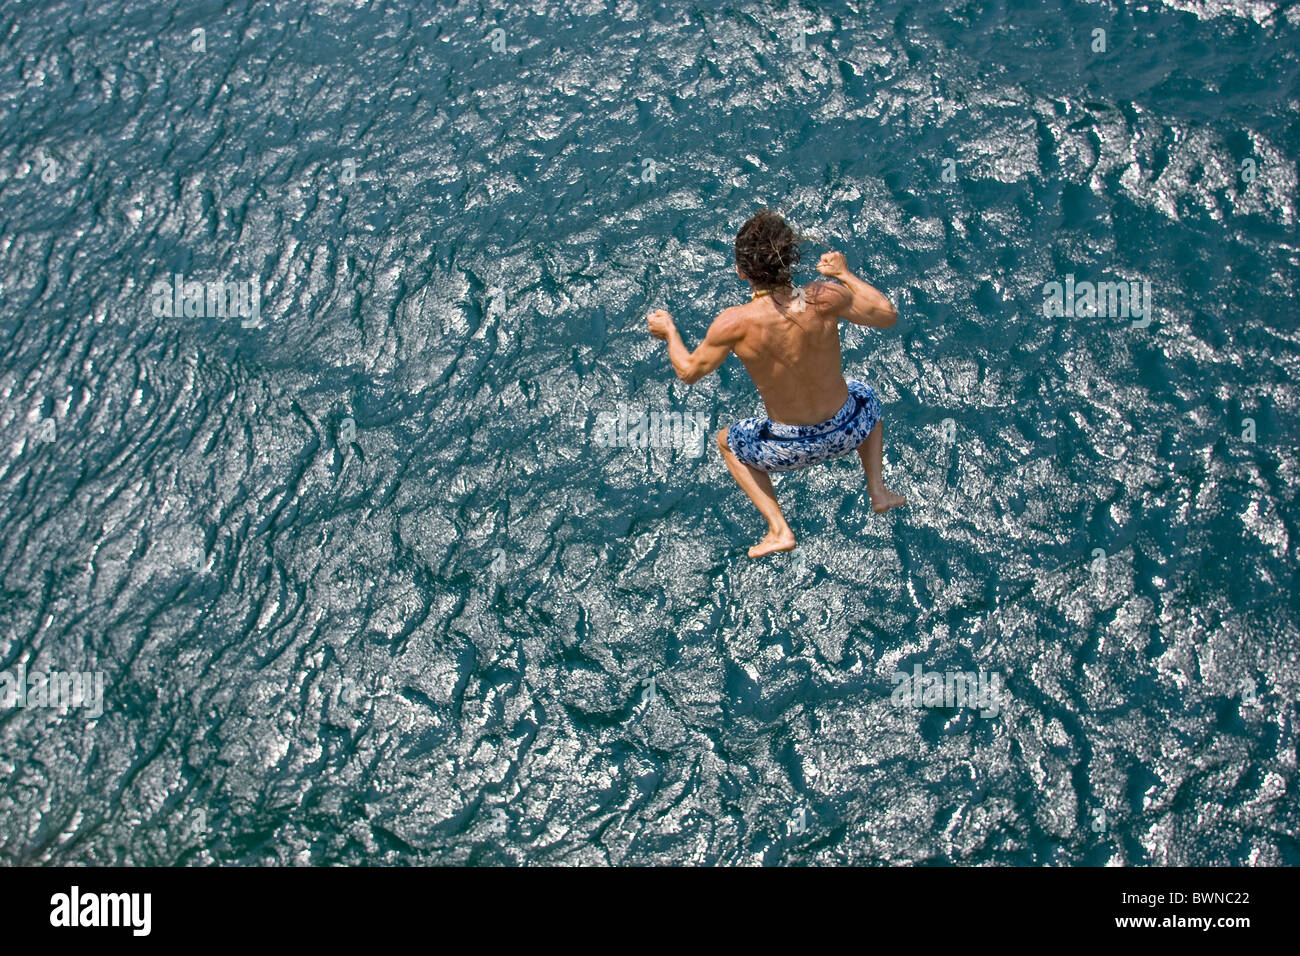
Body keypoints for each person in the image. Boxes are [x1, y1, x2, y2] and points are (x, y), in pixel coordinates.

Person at [647, 208, 905, 558]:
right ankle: (878, 490)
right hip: (850, 428)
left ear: (741, 272)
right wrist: (844, 274)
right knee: (865, 395)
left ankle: (778, 528)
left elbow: (688, 371)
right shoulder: (821, 296)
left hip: (788, 449)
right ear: (790, 261)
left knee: (726, 441)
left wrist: (669, 333)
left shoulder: (734, 323)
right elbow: (887, 314)